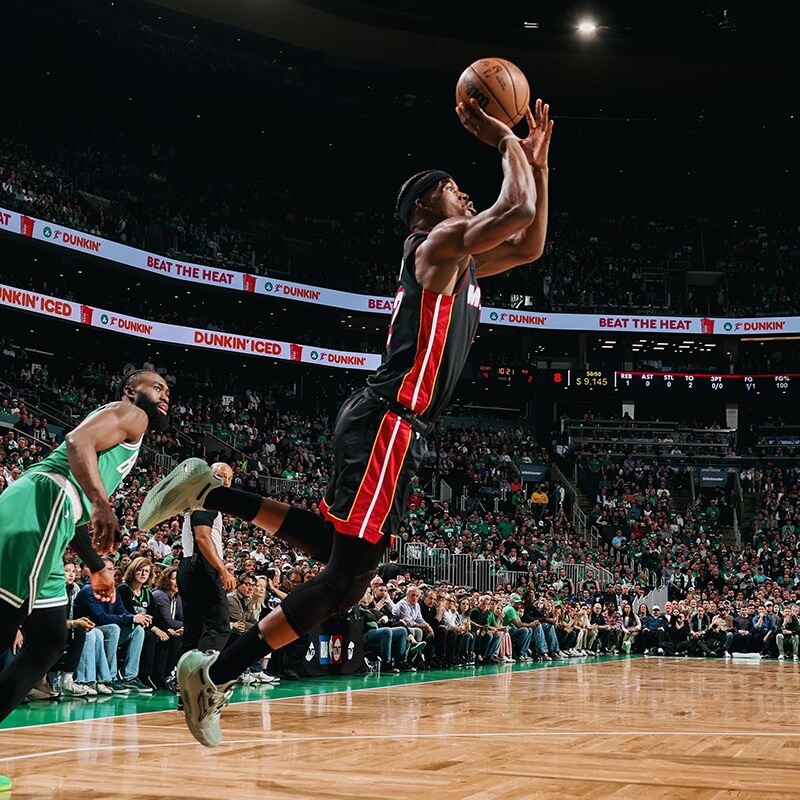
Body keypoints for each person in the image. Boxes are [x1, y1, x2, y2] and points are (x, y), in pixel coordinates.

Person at [140, 94, 552, 746]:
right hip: (387, 422)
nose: (467, 195)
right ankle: (215, 671)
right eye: (454, 188)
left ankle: (211, 505)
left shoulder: (462, 256)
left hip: (386, 425)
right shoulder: (436, 243)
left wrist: (539, 161)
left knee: (344, 573)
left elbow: (528, 242)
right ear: (424, 208)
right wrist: (503, 135)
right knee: (341, 581)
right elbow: (516, 209)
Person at [0, 369, 170, 722]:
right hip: (42, 503)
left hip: (55, 519)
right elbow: (77, 440)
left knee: (49, 638)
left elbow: (75, 519)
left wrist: (95, 566)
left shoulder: (125, 433)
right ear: (130, 391)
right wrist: (100, 502)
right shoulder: (132, 414)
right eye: (156, 387)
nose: (164, 394)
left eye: (167, 390)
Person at [176, 463, 236, 658]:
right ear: (210, 476)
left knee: (194, 630)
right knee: (220, 626)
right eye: (221, 476)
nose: (226, 481)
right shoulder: (207, 500)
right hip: (202, 566)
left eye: (229, 477)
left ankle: (181, 677)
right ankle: (200, 673)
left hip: (188, 566)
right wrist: (222, 569)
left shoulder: (196, 499)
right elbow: (202, 537)